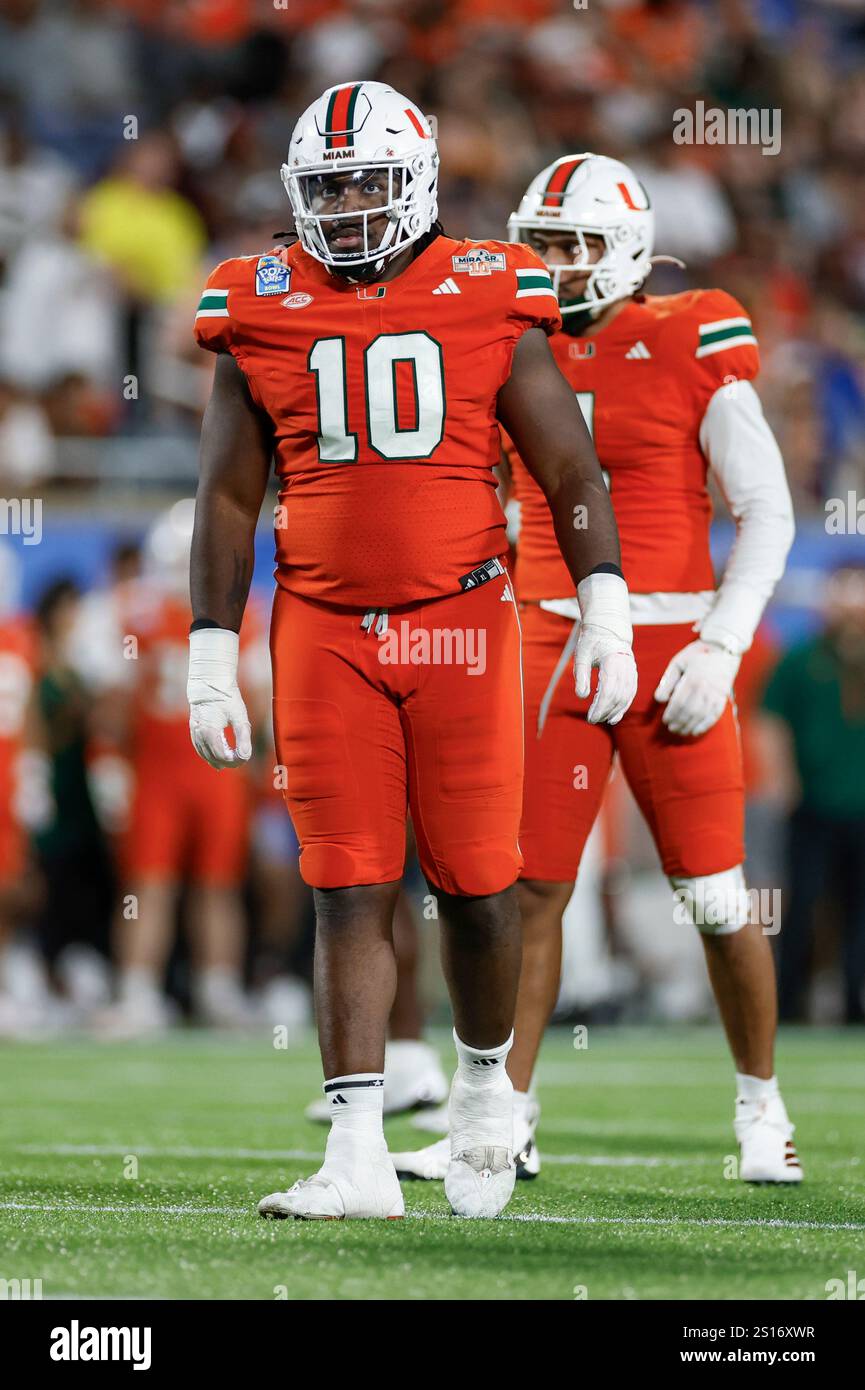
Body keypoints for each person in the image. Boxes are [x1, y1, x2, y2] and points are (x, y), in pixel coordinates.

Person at [188, 86, 637, 1221]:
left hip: (463, 619)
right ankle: (356, 1153)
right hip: (323, 626)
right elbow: (228, 497)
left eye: (365, 184)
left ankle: (486, 1096)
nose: (342, 207)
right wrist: (207, 647)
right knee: (344, 884)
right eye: (325, 187)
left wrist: (605, 603)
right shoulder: (258, 297)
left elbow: (569, 467)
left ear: (419, 182)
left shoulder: (487, 286)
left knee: (480, 886)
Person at [394, 152, 800, 1188]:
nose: (563, 264)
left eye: (580, 245)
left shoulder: (688, 332)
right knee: (525, 889)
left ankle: (762, 1107)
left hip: (671, 643)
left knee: (713, 895)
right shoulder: (506, 342)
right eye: (548, 243)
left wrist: (720, 642)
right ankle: (504, 1113)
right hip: (547, 633)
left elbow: (767, 511)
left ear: (624, 248)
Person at [759, 563, 865, 1025]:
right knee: (800, 906)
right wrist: (783, 782)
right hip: (814, 806)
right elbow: (770, 722)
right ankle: (789, 1004)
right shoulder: (801, 659)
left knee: (860, 910)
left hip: (860, 807)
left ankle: (853, 1005)